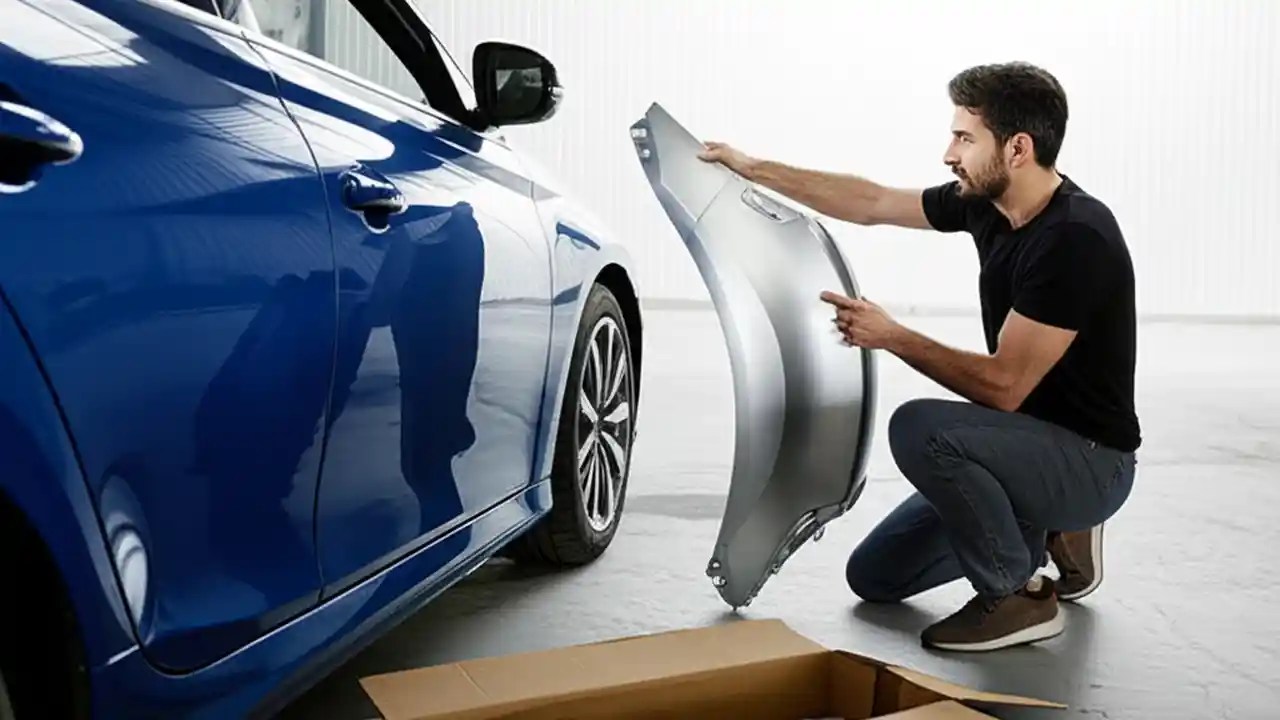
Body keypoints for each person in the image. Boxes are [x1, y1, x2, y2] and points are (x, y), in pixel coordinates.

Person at [697, 61, 1140, 652]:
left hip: (1090, 459)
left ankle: (1017, 595)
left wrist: (893, 335)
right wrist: (754, 168)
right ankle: (1046, 526)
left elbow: (1004, 385)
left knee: (921, 428)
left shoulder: (1075, 238)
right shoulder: (988, 205)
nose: (948, 153)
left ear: (1017, 148)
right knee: (875, 577)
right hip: (1025, 442)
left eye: (964, 137)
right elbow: (872, 201)